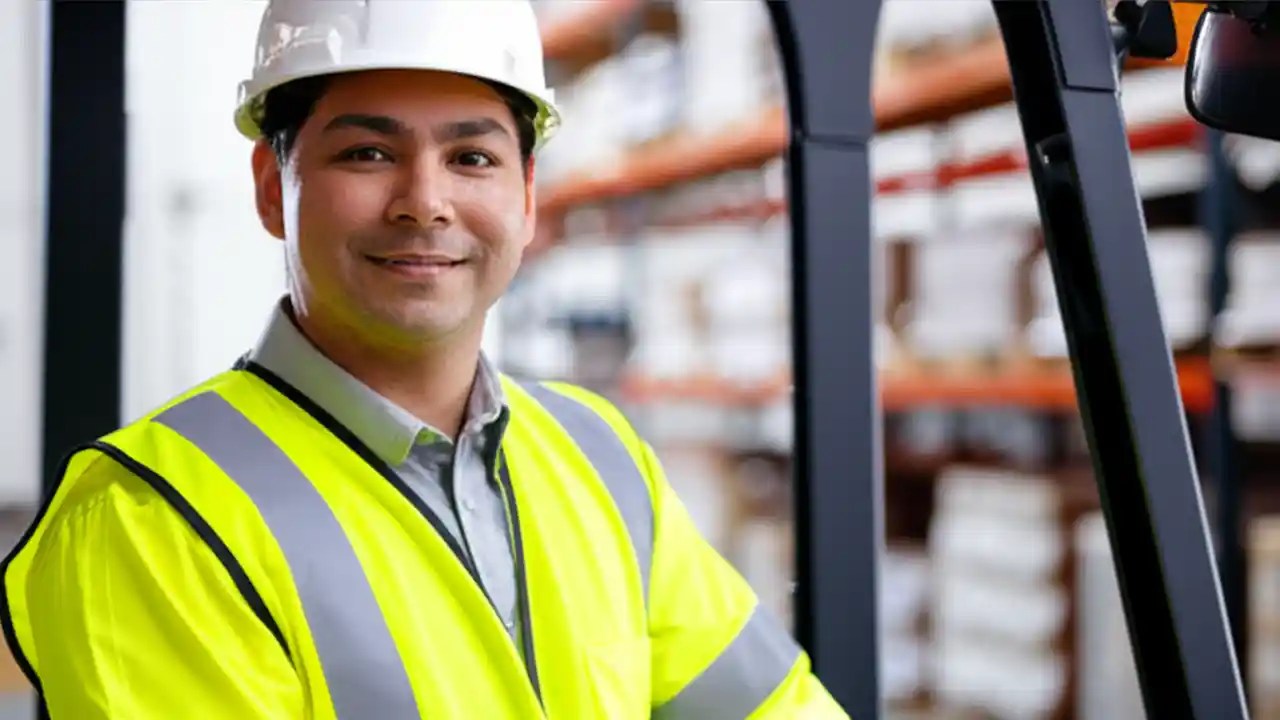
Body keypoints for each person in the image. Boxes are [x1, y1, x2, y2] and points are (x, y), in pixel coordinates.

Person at [1, 1, 850, 718]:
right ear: (273, 187)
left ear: (524, 199)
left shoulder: (600, 458)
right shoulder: (152, 519)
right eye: (367, 153)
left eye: (471, 157)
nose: (425, 203)